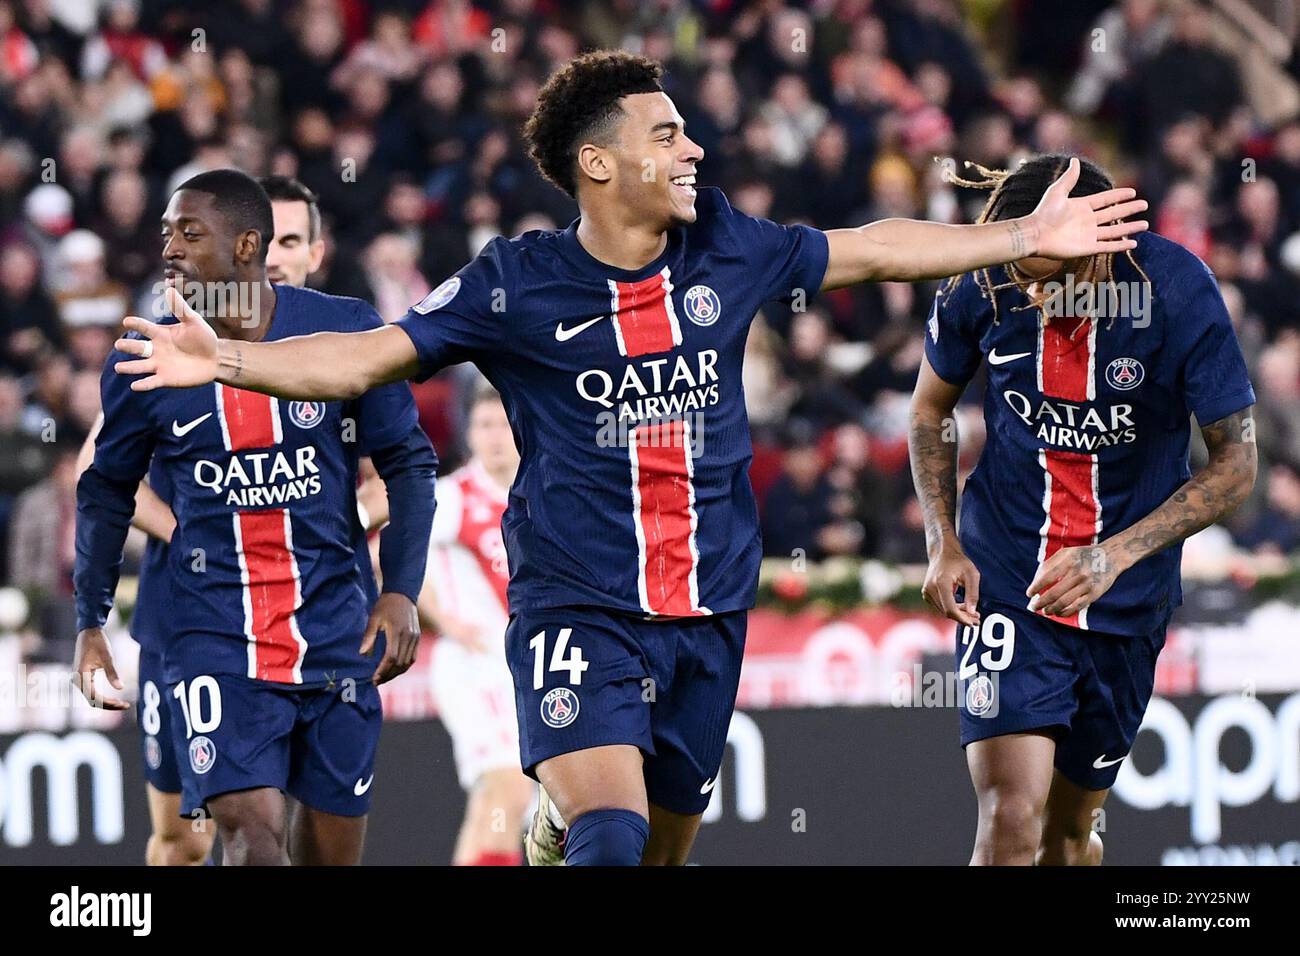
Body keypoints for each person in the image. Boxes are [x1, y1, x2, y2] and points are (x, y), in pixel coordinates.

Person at [106, 52, 1147, 866]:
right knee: (609, 837)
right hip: (575, 606)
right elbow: (363, 358)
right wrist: (229, 358)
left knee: (652, 846)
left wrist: (1015, 239)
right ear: (598, 165)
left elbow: (874, 245)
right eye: (667, 132)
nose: (692, 147)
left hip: (707, 609)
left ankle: (555, 836)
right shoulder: (513, 283)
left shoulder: (729, 249)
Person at [73, 169, 437, 865]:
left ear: (246, 245)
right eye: (166, 234)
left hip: (335, 631)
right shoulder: (145, 355)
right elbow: (104, 488)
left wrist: (400, 590)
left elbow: (409, 465)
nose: (170, 249)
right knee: (248, 836)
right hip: (213, 635)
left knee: (327, 856)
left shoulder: (345, 329)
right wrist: (90, 619)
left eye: (190, 233)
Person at [908, 154, 1257, 865]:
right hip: (1009, 579)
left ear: (1100, 246)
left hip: (1126, 600)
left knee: (1066, 841)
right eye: (1024, 262)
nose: (1033, 293)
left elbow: (1237, 463)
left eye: (1049, 269)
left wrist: (1113, 555)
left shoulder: (1177, 290)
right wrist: (942, 540)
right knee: (1011, 819)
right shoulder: (983, 281)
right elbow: (928, 411)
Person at [418, 386, 535, 865]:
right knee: (509, 786)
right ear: (469, 435)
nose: (494, 438)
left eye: (503, 426)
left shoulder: (533, 494)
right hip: (471, 666)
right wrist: (443, 618)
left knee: (493, 801)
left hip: (516, 669)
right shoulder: (453, 496)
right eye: (484, 426)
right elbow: (394, 553)